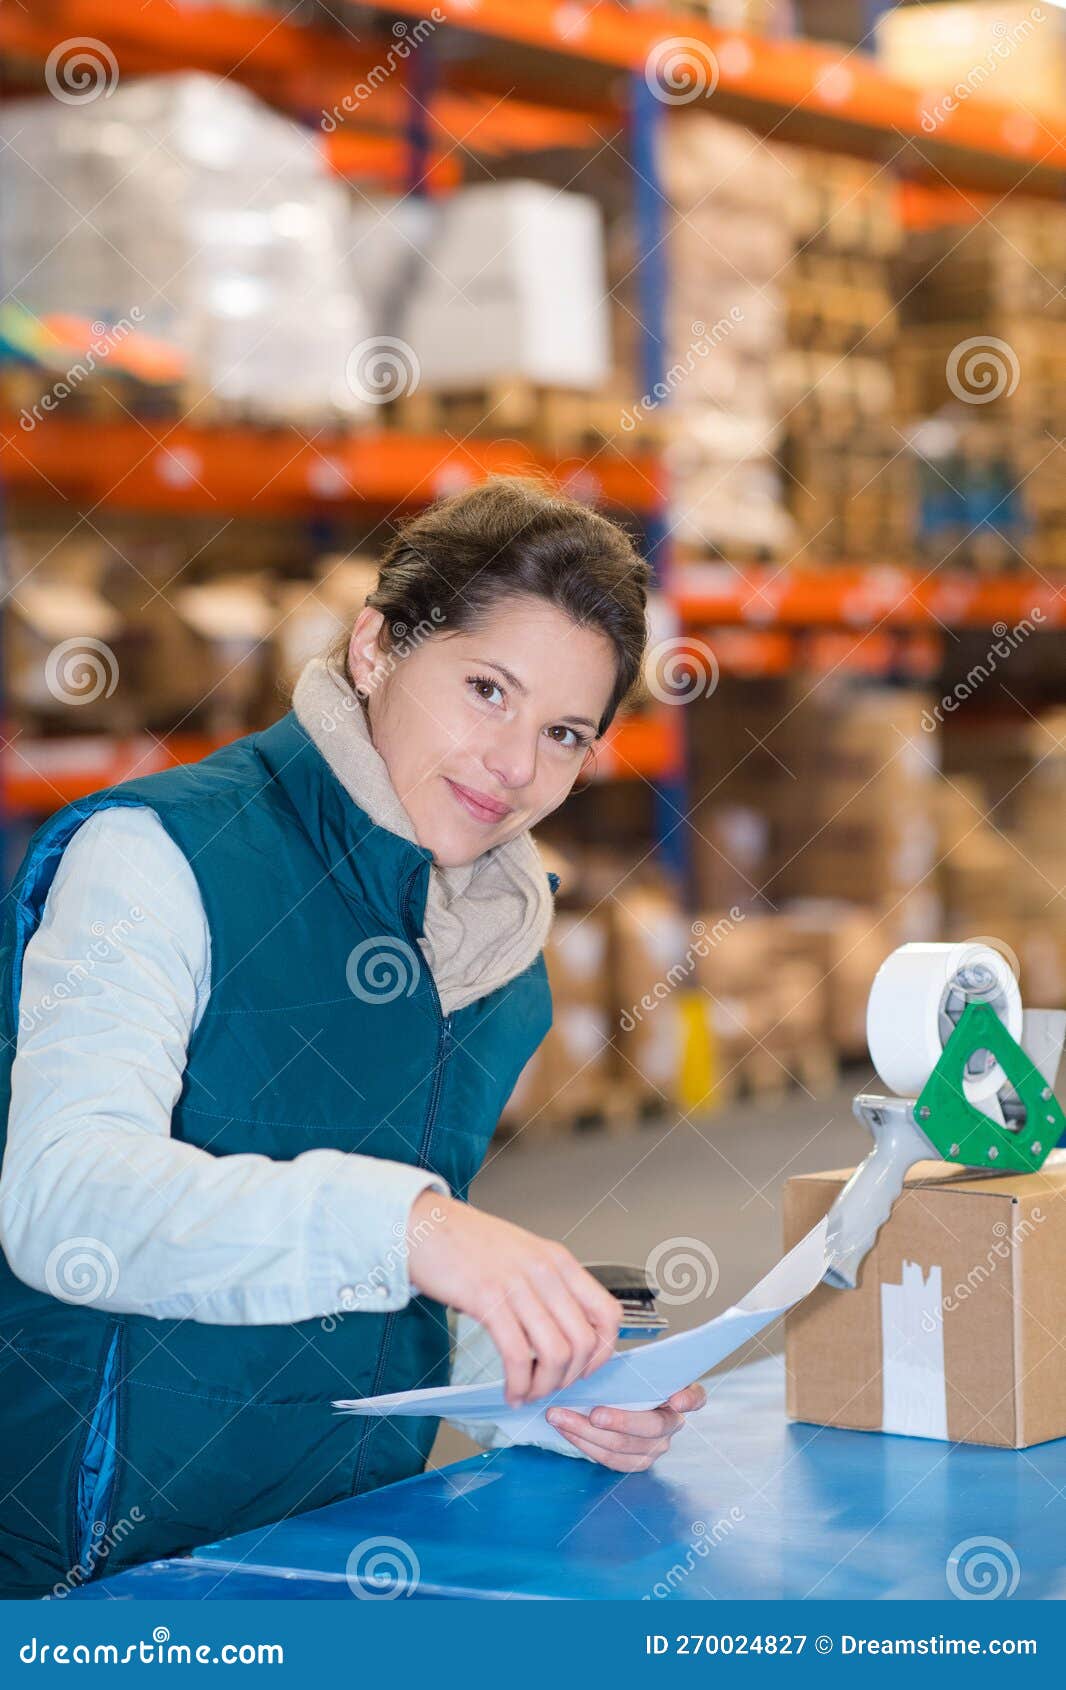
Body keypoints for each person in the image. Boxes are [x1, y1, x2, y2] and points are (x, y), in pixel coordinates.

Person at [0, 476, 705, 1599]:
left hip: (344, 1551)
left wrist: (541, 1379)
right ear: (376, 649)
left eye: (564, 733)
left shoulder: (492, 949)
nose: (516, 766)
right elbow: (64, 1203)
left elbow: (368, 1285)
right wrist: (416, 1226)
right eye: (486, 689)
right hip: (94, 1574)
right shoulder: (157, 856)